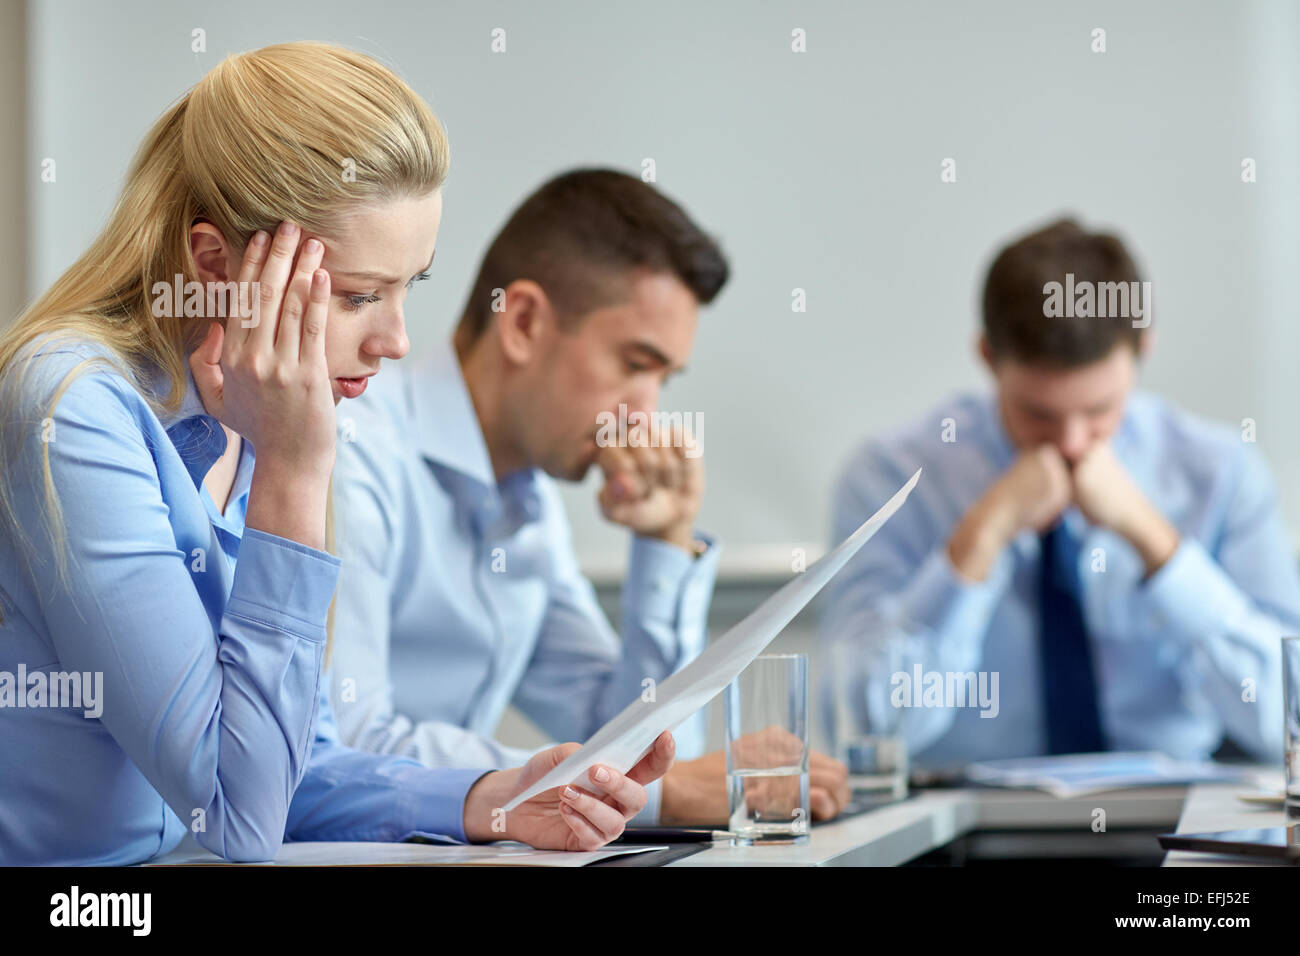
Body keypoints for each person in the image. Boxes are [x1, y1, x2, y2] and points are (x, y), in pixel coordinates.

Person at [0, 42, 670, 867]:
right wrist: (294, 470)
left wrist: (483, 798)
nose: (394, 341)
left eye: (407, 286)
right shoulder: (71, 408)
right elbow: (240, 815)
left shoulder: (254, 407)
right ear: (216, 267)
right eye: (358, 295)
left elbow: (287, 768)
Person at [331, 169, 851, 824]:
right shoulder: (354, 450)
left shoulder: (529, 500)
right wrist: (671, 794)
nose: (645, 416)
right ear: (521, 322)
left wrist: (664, 546)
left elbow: (644, 744)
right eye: (635, 366)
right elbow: (345, 745)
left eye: (664, 379)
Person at [822, 217, 1300, 767]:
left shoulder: (1221, 473)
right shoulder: (890, 478)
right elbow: (863, 732)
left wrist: (1156, 544)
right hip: (961, 835)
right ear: (987, 357)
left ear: (1144, 347)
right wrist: (980, 538)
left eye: (1099, 410)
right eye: (1038, 413)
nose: (1072, 443)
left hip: (1176, 831)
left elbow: (1283, 723)